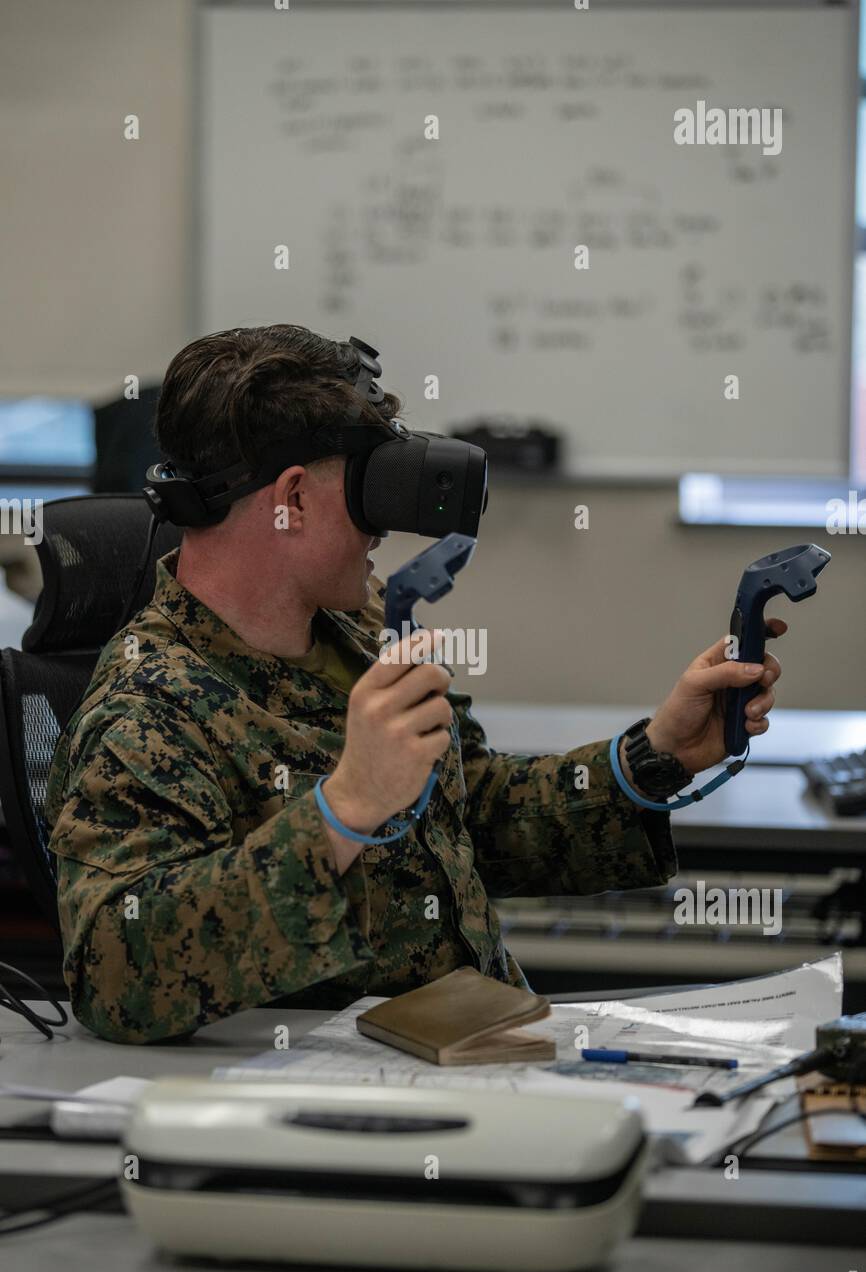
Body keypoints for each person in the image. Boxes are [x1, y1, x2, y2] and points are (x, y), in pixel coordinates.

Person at [45, 325, 783, 1043]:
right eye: (365, 489)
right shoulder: (150, 706)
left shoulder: (361, 630)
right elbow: (115, 973)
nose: (382, 528)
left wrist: (656, 756)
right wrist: (343, 812)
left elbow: (473, 817)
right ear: (292, 500)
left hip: (488, 1044)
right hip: (341, 1114)